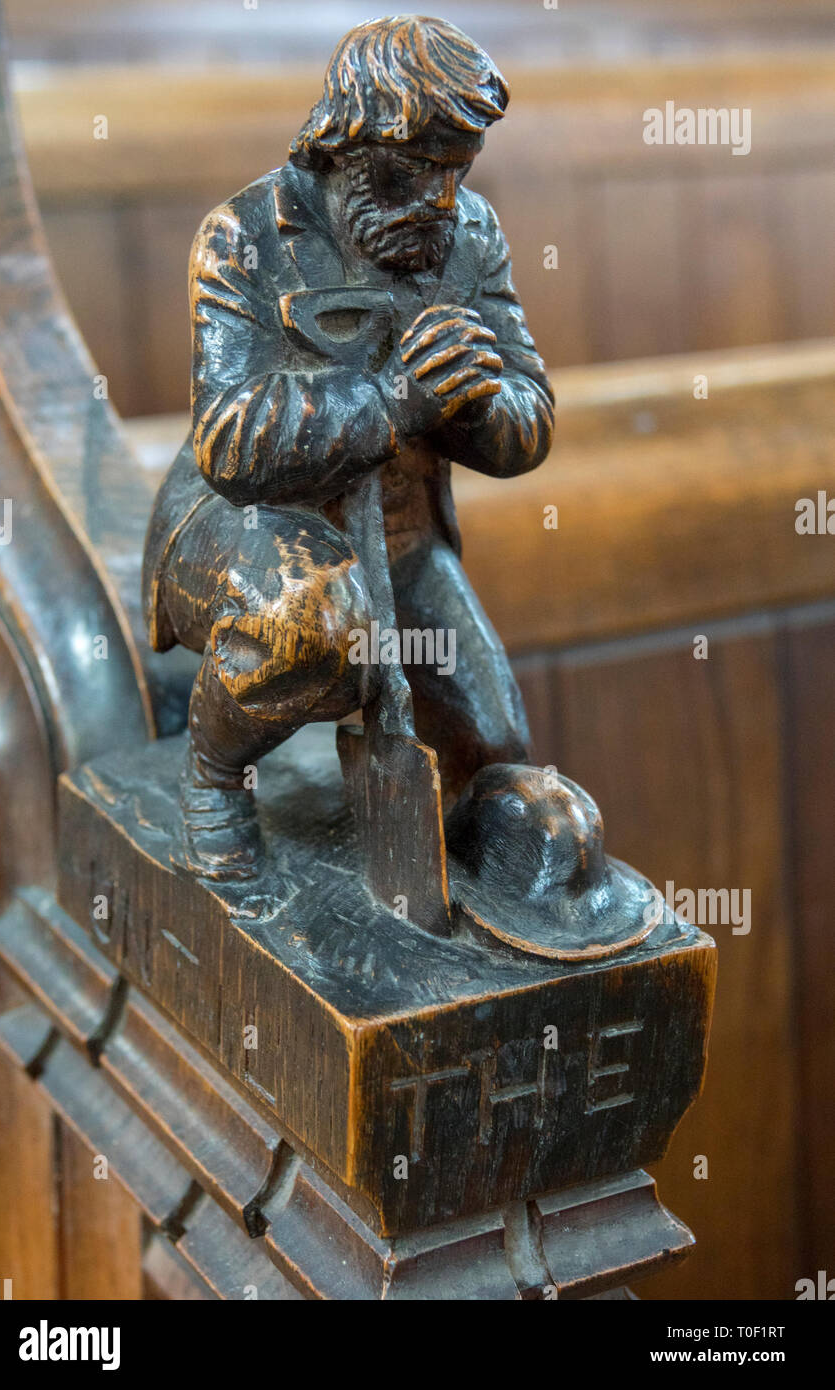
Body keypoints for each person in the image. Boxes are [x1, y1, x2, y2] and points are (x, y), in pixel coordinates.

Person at [142, 15, 554, 878]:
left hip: (397, 544)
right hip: (249, 530)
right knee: (319, 627)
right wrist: (395, 401)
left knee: (495, 747)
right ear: (347, 145)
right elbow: (231, 442)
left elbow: (527, 423)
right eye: (414, 170)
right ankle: (215, 772)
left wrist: (476, 398)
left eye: (457, 168)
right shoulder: (248, 236)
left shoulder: (468, 236)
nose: (440, 197)